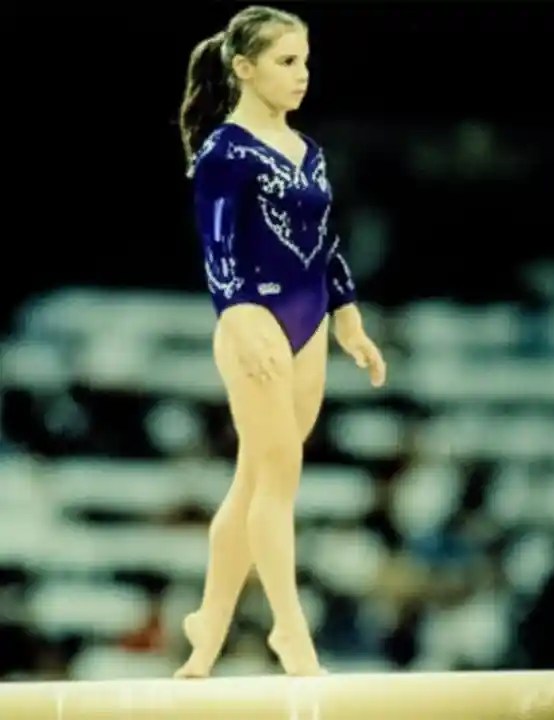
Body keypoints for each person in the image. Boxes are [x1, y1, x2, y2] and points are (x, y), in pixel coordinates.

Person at [173, 5, 387, 677]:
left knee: (253, 483)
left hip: (311, 322)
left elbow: (324, 245)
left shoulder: (308, 150)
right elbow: (217, 247)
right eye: (286, 62)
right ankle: (289, 630)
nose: (302, 75)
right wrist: (235, 314)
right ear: (244, 68)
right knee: (279, 485)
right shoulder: (224, 152)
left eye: (305, 60)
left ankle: (208, 627)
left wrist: (347, 315)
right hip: (256, 322)